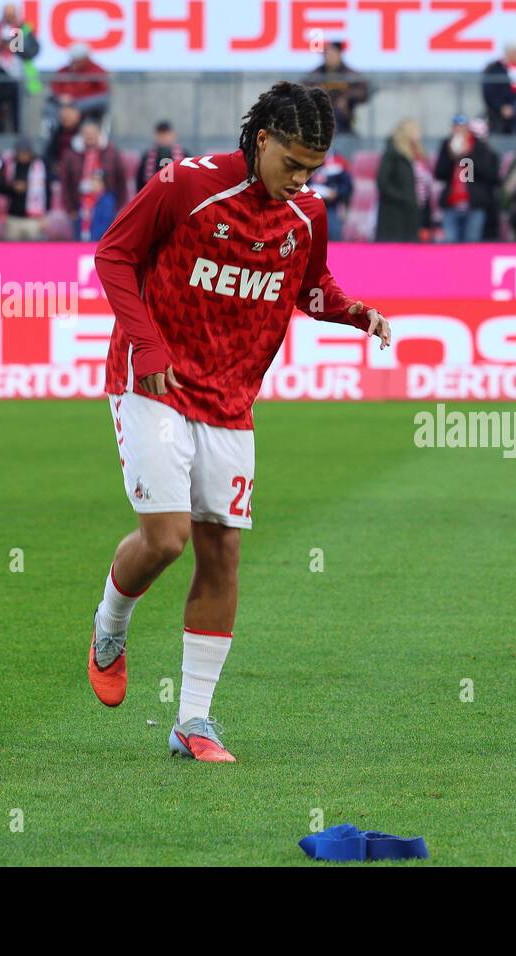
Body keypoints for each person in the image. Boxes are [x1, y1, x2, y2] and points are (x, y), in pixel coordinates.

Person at [88, 82, 391, 762]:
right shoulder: (186, 186)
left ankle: (193, 721)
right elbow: (113, 255)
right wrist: (147, 343)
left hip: (231, 400)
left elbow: (311, 288)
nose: (303, 179)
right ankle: (110, 626)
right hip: (155, 383)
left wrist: (355, 313)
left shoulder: (306, 215)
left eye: (315, 168)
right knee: (165, 540)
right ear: (261, 141)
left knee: (221, 550)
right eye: (294, 163)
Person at [433, 114, 500, 243]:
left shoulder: (479, 146)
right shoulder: (447, 145)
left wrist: (468, 155)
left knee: (471, 244)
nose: (458, 130)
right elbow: (439, 173)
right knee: (449, 244)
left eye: (462, 127)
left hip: (474, 205)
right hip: (451, 204)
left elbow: (486, 175)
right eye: (456, 127)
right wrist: (452, 157)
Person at [0, 2, 40, 128]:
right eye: (7, 14)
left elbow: (33, 50)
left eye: (12, 14)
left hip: (18, 76)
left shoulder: (23, 29)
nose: (9, 17)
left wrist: (15, 46)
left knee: (17, 110)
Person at [374, 118, 426, 242]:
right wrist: (403, 197)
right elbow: (383, 182)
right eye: (415, 130)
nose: (419, 133)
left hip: (414, 209)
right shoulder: (393, 154)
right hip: (396, 213)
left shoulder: (416, 154)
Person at [303, 41, 368, 135]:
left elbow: (363, 90)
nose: (329, 57)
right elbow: (303, 87)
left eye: (332, 54)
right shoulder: (317, 73)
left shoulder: (349, 74)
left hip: (343, 117)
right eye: (327, 54)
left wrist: (346, 97)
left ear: (339, 55)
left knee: (338, 113)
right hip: (320, 115)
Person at [61, 120, 126, 210]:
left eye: (93, 133)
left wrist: (118, 207)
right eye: (86, 133)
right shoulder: (71, 155)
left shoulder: (112, 153)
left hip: (105, 205)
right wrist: (70, 209)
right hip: (79, 204)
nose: (90, 136)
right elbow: (65, 183)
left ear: (99, 134)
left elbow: (121, 181)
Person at [47, 44, 109, 126]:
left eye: (77, 59)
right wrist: (60, 97)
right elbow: (54, 88)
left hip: (85, 109)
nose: (74, 62)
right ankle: (54, 132)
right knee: (50, 107)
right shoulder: (63, 71)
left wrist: (76, 106)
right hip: (63, 106)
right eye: (73, 59)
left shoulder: (97, 71)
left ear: (85, 59)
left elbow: (102, 96)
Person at [3, 137, 45, 240]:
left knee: (35, 251)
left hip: (33, 218)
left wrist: (44, 216)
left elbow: (46, 191)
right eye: (20, 152)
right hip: (13, 215)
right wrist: (13, 187)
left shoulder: (39, 166)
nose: (23, 155)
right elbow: (1, 186)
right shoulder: (10, 166)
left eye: (25, 152)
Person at [308, 148, 353, 241]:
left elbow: (348, 186)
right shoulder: (307, 159)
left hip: (331, 206)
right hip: (309, 205)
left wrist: (336, 193)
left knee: (334, 232)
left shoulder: (339, 161)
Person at [136, 120, 185, 193]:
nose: (163, 138)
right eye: (161, 135)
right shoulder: (147, 157)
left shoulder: (184, 155)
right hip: (154, 195)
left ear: (173, 135)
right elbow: (140, 180)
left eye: (166, 134)